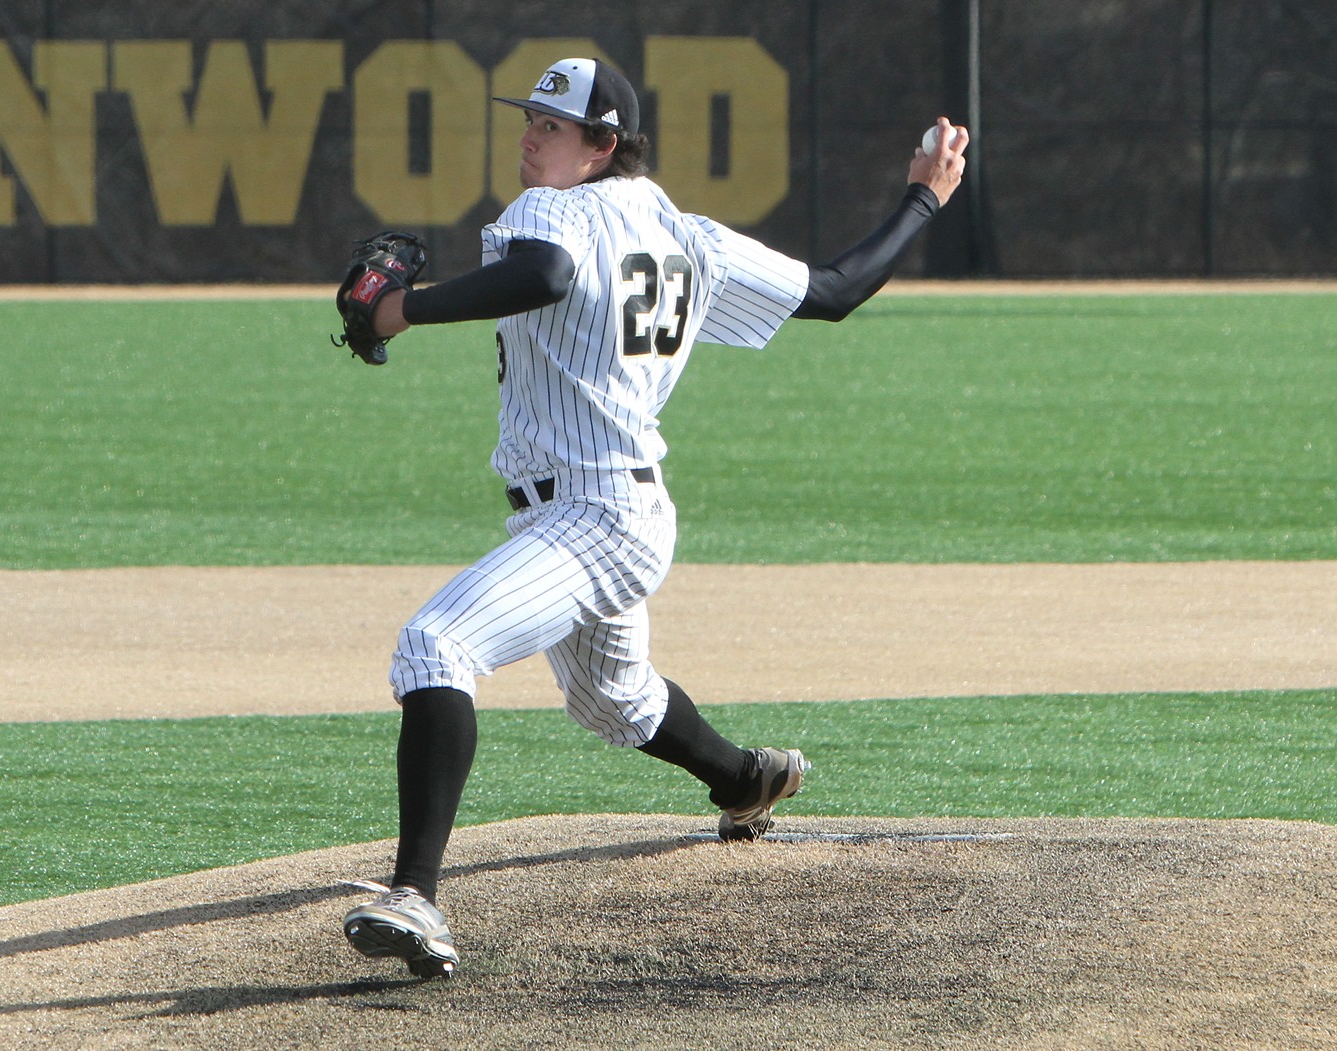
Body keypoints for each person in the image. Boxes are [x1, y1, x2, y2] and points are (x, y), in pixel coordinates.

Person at [341, 57, 967, 980]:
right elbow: (834, 291)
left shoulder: (551, 213)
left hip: (591, 516)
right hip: (624, 511)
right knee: (614, 701)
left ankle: (416, 898)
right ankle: (746, 778)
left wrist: (398, 310)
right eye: (528, 122)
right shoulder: (689, 236)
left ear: (602, 146)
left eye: (550, 129)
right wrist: (923, 202)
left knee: (436, 646)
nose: (528, 139)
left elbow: (548, 272)